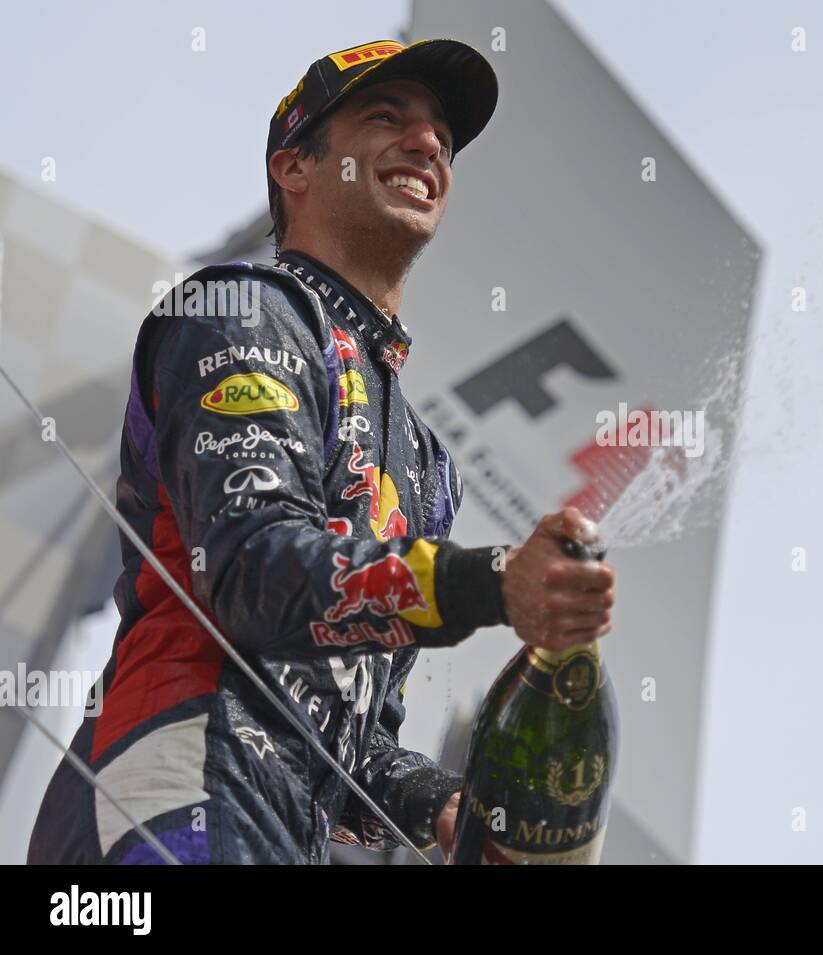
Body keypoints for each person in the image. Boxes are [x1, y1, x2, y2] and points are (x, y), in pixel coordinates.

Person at [27, 38, 615, 865]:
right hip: (167, 794)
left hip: (279, 833)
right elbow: (251, 567)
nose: (427, 145)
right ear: (294, 170)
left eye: (442, 136)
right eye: (387, 117)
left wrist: (441, 802)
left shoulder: (425, 461)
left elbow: (355, 728)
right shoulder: (243, 310)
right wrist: (488, 580)